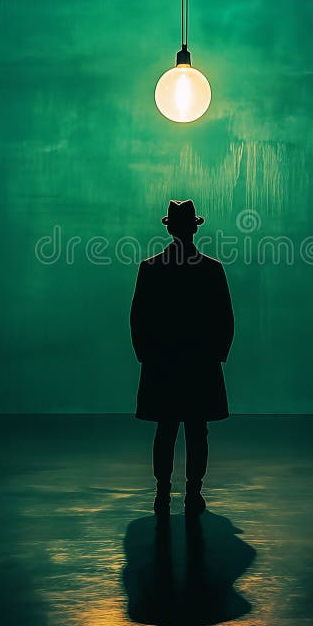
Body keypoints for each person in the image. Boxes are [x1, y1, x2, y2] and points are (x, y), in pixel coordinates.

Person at [130, 200, 234, 515]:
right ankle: (193, 491)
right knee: (196, 429)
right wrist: (217, 354)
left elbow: (138, 317)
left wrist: (146, 355)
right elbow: (224, 318)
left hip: (163, 362)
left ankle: (163, 492)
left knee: (166, 428)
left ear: (170, 227)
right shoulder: (212, 269)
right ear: (194, 227)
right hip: (200, 363)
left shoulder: (150, 268)